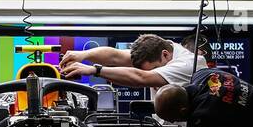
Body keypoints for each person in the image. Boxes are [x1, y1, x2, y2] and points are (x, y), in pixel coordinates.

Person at [58, 33, 206, 89]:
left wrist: (94, 70)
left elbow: (142, 78)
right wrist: (83, 54)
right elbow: (115, 56)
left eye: (153, 68)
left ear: (166, 55)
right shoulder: (157, 51)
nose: (150, 72)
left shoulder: (188, 64)